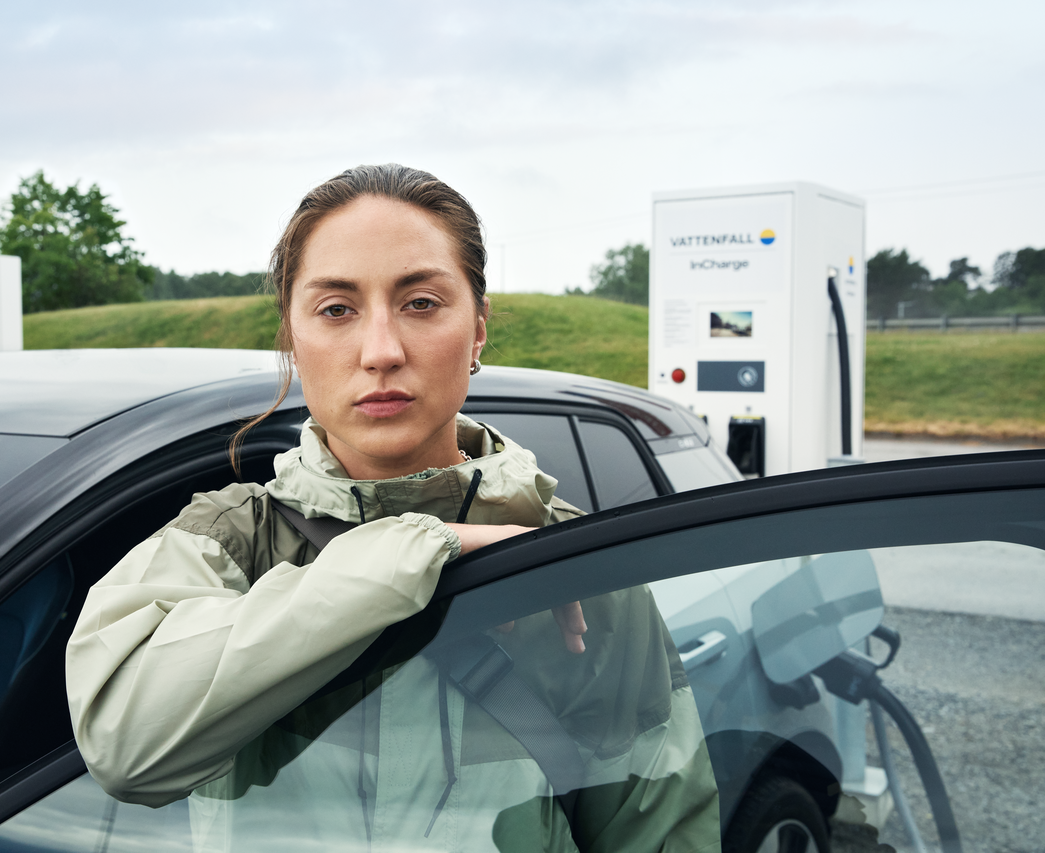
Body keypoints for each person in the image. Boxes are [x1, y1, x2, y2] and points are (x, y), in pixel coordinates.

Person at [65, 164, 720, 851]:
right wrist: (418, 548)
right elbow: (124, 747)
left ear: (478, 330)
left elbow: (657, 832)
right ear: (292, 335)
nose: (381, 351)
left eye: (422, 302)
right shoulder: (226, 542)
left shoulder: (579, 568)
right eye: (337, 309)